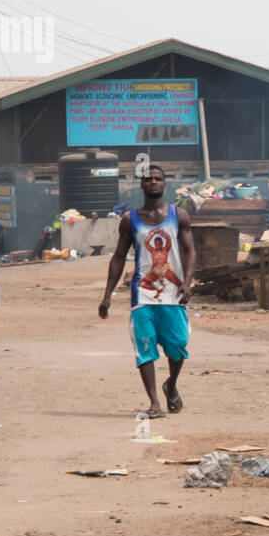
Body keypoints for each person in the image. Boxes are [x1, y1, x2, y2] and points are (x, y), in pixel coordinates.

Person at [99, 165, 196, 418]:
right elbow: (119, 257)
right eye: (148, 179)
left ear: (165, 184)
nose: (153, 182)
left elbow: (190, 252)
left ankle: (171, 385)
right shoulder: (130, 220)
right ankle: (155, 403)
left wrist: (187, 282)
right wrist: (107, 294)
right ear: (141, 185)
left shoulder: (179, 215)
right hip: (142, 294)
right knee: (145, 346)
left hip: (174, 294)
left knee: (178, 346)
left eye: (158, 179)